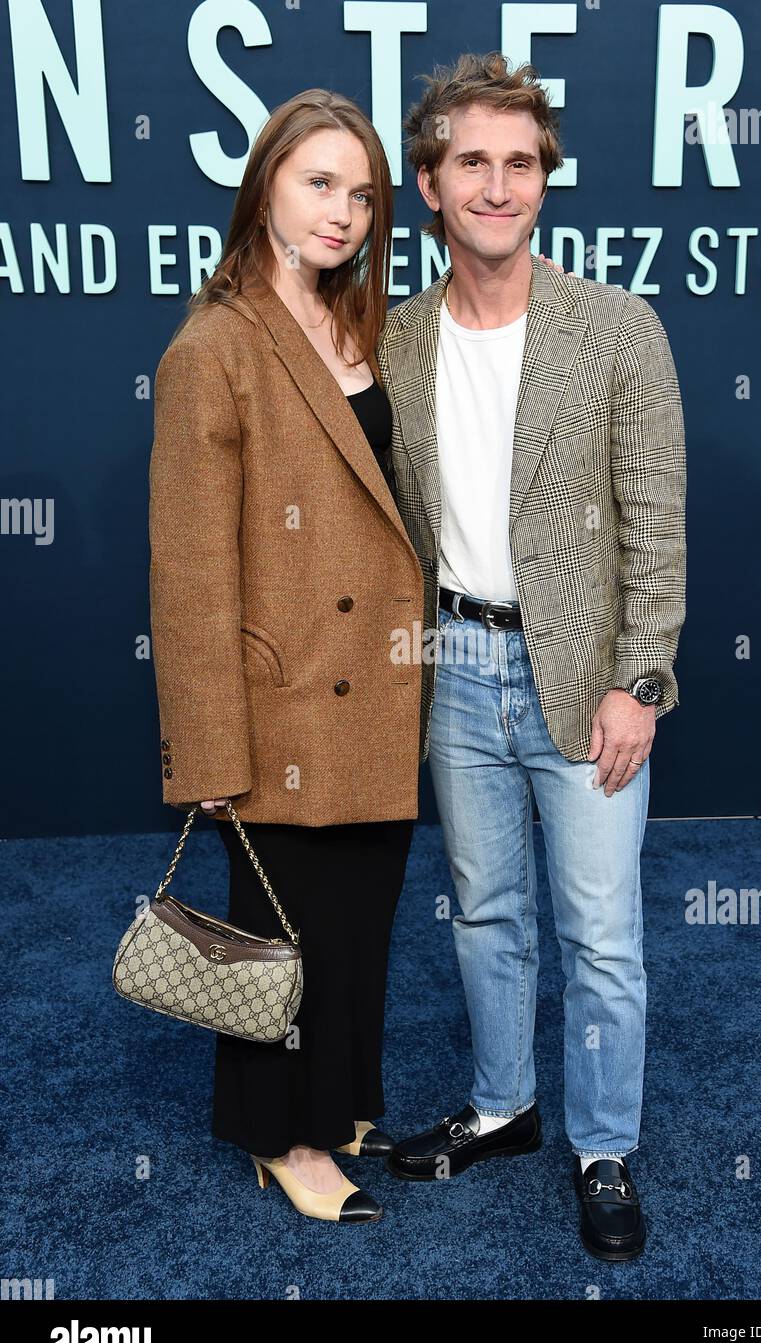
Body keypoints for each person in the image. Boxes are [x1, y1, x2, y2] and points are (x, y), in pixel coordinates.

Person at [378, 52, 687, 1260]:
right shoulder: (397, 341)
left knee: (600, 933)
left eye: (519, 164)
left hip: (583, 681)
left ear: (543, 182)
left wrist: (638, 680)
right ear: (428, 184)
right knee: (482, 911)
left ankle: (603, 1145)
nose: (496, 186)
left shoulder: (616, 329)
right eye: (472, 164)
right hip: (453, 667)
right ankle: (502, 1106)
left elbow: (654, 527)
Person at [147, 89, 426, 1224]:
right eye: (319, 183)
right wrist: (212, 747)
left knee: (360, 917)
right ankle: (283, 1135)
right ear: (264, 184)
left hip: (378, 688)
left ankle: (342, 1096)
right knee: (278, 937)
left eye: (361, 193)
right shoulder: (212, 345)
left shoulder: (358, 326)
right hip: (283, 703)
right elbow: (188, 573)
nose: (343, 212)